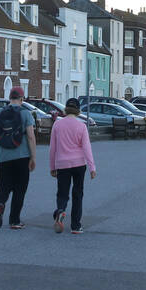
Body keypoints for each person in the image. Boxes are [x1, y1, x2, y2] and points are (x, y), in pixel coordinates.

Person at [0, 87, 36, 229]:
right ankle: (15, 221)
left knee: (3, 186)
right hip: (22, 157)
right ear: (22, 99)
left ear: (10, 98)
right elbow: (30, 136)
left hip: (3, 157)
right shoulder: (26, 113)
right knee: (20, 189)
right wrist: (33, 157)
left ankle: (0, 204)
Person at [49, 98, 97, 235]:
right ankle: (76, 225)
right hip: (79, 164)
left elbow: (52, 148)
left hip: (62, 164)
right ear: (77, 110)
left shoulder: (57, 125)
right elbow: (87, 148)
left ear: (65, 109)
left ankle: (61, 210)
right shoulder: (81, 126)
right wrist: (92, 168)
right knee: (77, 194)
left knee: (62, 192)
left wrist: (52, 166)